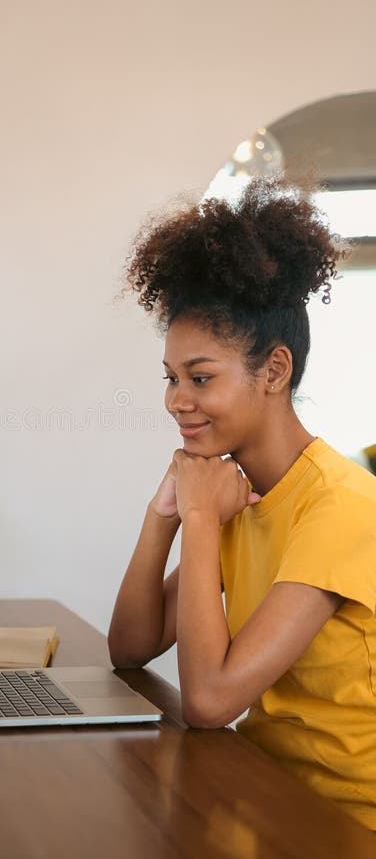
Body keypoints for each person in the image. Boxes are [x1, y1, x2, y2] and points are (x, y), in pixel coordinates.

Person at [108, 177, 376, 831]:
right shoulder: (237, 492)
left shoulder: (341, 507)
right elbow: (131, 646)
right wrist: (164, 512)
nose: (177, 398)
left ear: (274, 371)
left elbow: (209, 701)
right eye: (171, 378)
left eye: (201, 377)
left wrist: (200, 519)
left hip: (342, 822)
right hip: (258, 792)